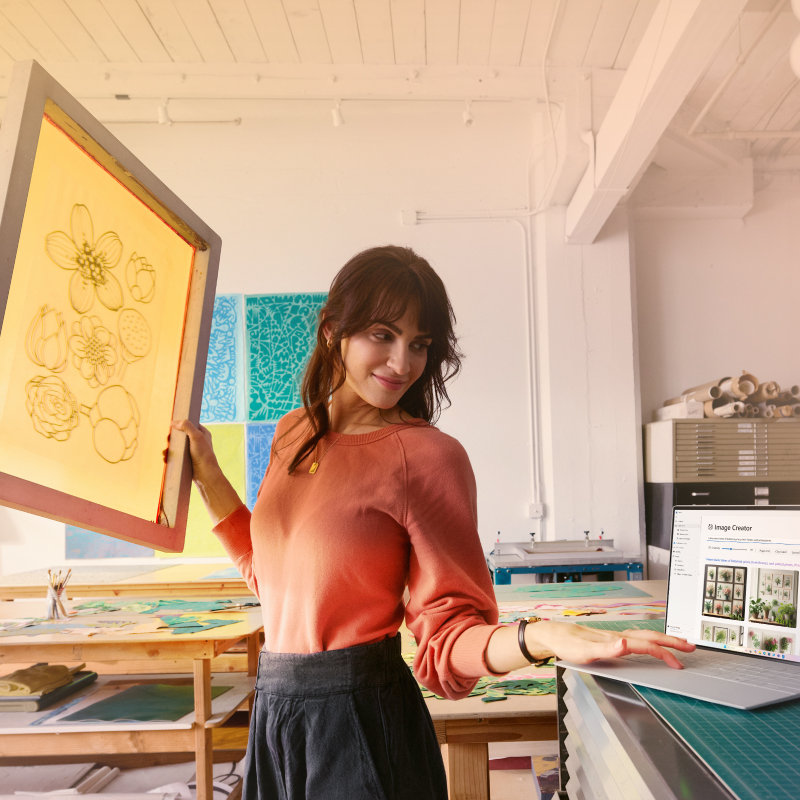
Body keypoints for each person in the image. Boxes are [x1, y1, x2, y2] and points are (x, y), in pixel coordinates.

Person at [173, 245, 694, 799]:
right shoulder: (293, 433)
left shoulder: (425, 457)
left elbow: (448, 639)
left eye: (419, 344)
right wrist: (206, 474)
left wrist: (543, 636)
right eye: (382, 335)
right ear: (334, 331)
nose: (402, 362)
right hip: (276, 712)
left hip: (362, 724)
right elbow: (272, 578)